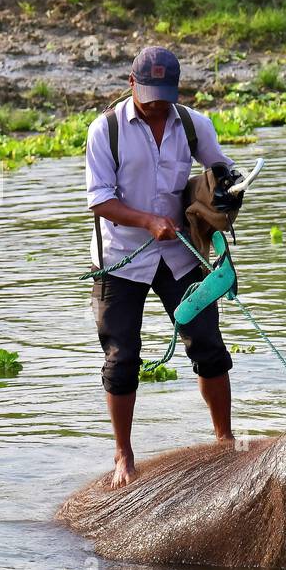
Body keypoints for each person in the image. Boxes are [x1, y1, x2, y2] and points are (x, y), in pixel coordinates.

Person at [85, 46, 235, 489]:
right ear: (131, 84)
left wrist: (228, 188)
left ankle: (224, 441)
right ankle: (123, 455)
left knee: (207, 343)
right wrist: (148, 221)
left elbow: (219, 168)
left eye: (164, 95)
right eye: (147, 93)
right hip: (121, 258)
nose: (155, 104)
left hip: (180, 252)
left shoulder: (192, 124)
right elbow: (100, 200)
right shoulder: (105, 130)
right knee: (122, 357)